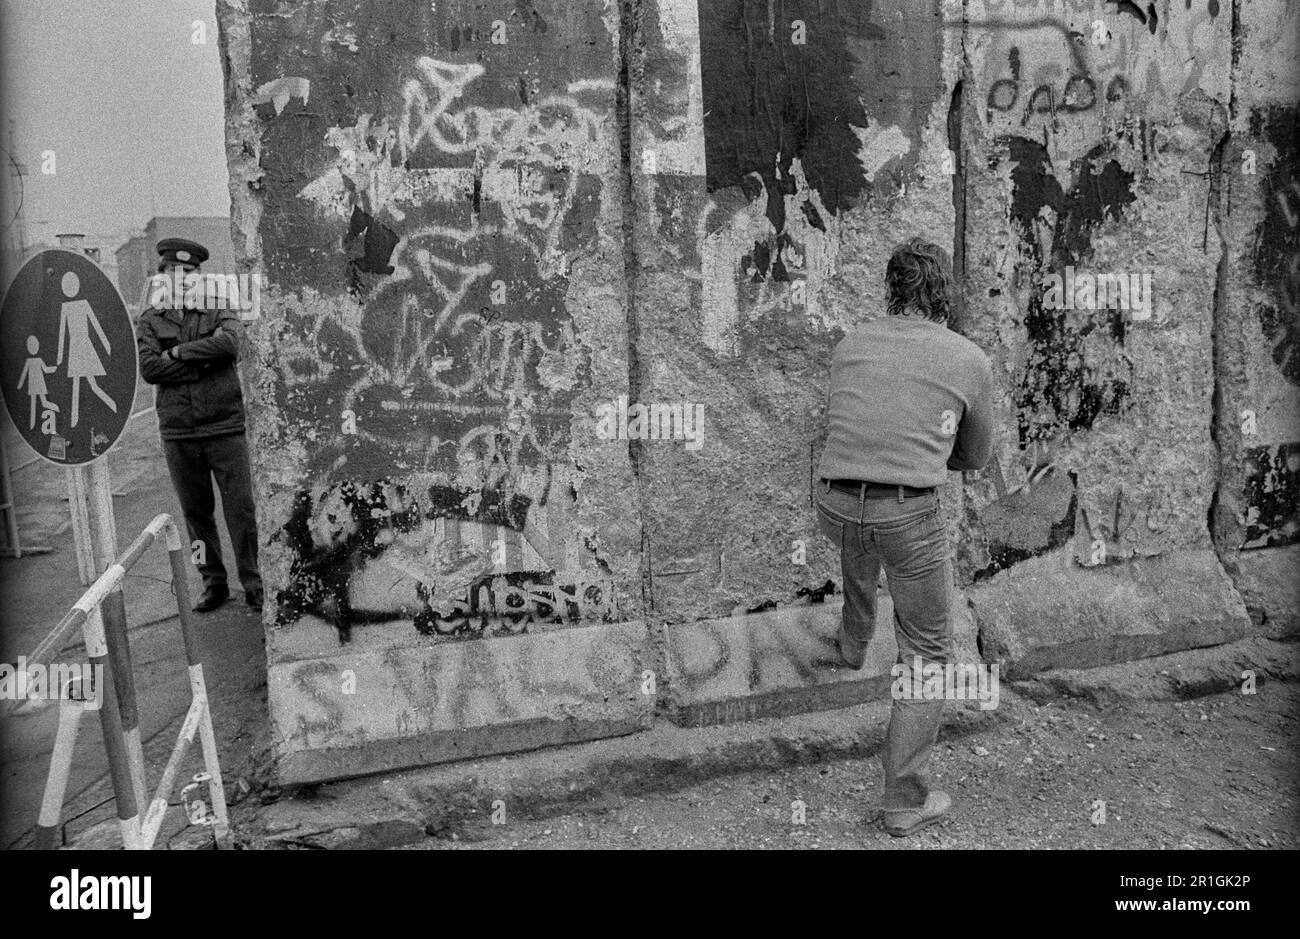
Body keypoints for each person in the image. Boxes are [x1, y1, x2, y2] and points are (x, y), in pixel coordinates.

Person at [815, 238, 994, 837]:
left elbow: (855, 426)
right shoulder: (967, 358)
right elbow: (972, 458)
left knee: (861, 542)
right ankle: (902, 802)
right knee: (927, 656)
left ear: (890, 288)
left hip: (833, 502)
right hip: (905, 515)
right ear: (944, 291)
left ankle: (851, 643)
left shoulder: (850, 345)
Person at [136, 238, 262, 613]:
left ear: (198, 276)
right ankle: (213, 583)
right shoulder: (149, 319)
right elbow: (150, 369)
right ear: (163, 276)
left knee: (241, 509)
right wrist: (204, 357)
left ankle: (254, 582)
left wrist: (176, 353)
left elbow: (231, 345)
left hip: (225, 426)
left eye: (188, 272)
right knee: (195, 514)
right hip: (179, 431)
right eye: (173, 272)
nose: (181, 278)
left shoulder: (218, 307)